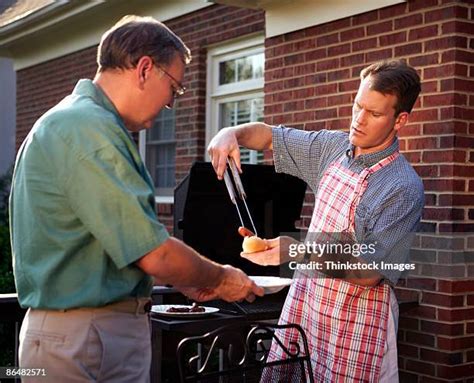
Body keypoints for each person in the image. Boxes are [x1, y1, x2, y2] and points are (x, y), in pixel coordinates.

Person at [9, 15, 263, 382]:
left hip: (87, 334)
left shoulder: (84, 124)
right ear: (145, 69)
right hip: (80, 338)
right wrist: (222, 277)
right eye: (174, 88)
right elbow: (153, 251)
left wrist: (185, 278)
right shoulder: (85, 128)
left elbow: (122, 248)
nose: (170, 104)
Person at [208, 59, 424, 382]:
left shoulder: (403, 188)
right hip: (308, 310)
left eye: (374, 113)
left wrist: (296, 252)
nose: (358, 121)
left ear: (400, 120)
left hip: (358, 325)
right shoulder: (332, 148)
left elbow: (370, 272)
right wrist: (230, 133)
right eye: (357, 106)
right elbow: (270, 137)